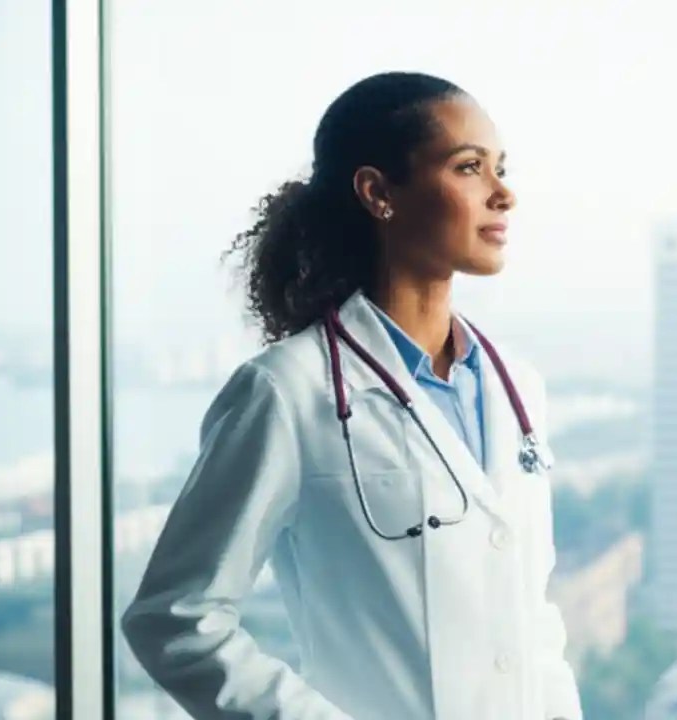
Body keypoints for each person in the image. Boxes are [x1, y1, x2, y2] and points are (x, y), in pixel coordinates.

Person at [122, 71, 582, 720]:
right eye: (470, 167)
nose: (503, 194)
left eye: (501, 168)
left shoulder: (517, 388)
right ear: (377, 192)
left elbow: (531, 618)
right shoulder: (288, 391)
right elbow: (174, 618)